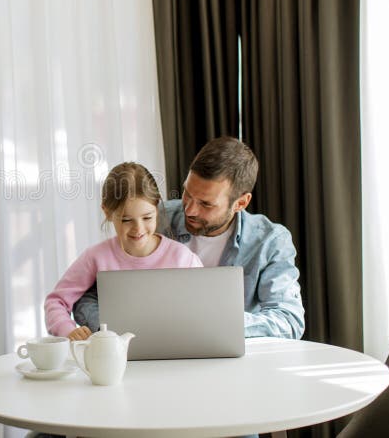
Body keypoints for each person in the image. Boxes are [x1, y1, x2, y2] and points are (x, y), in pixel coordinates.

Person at [73, 137, 306, 339]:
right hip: (154, 352)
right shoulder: (153, 220)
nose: (190, 209)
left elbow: (289, 319)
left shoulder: (269, 241)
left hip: (230, 360)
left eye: (206, 203)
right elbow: (88, 298)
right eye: (187, 193)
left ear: (241, 203)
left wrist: (217, 322)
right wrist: (112, 330)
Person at [45, 162, 203, 341]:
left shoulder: (183, 257)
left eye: (147, 217)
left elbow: (203, 309)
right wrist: (68, 330)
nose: (138, 229)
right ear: (107, 212)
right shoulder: (96, 257)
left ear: (157, 207)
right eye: (126, 220)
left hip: (175, 348)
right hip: (115, 354)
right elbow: (55, 302)